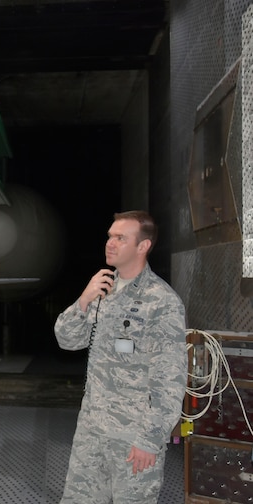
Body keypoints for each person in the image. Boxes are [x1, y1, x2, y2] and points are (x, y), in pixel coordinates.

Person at [54, 210, 186, 503]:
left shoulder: (162, 302)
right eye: (110, 236)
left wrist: (149, 440)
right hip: (91, 432)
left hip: (133, 439)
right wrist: (83, 301)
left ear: (143, 246)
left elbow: (170, 380)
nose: (110, 243)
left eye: (120, 238)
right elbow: (67, 340)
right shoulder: (103, 289)